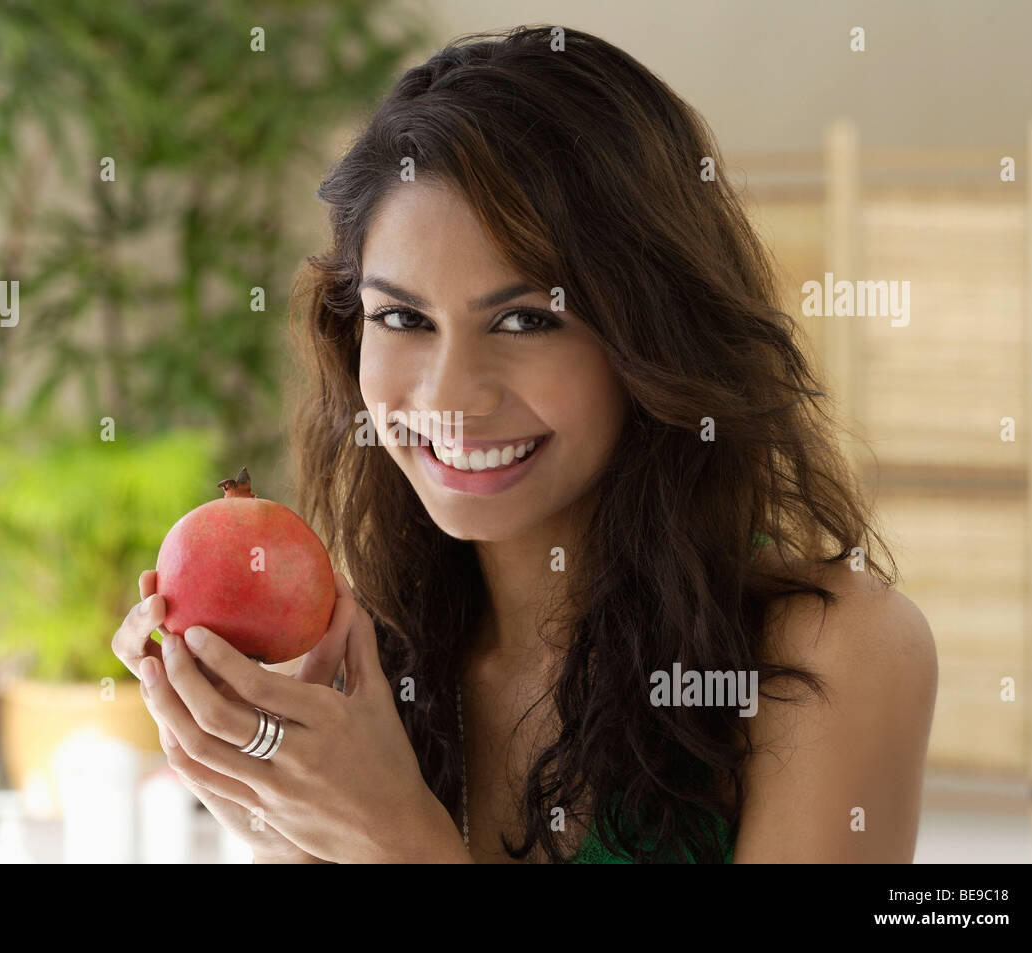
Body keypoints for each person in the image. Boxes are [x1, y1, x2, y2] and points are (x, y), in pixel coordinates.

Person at [112, 24, 937, 864]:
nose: (447, 395)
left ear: (652, 336)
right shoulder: (360, 674)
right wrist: (269, 814)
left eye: (526, 319)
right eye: (402, 317)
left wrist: (395, 838)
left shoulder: (832, 652)